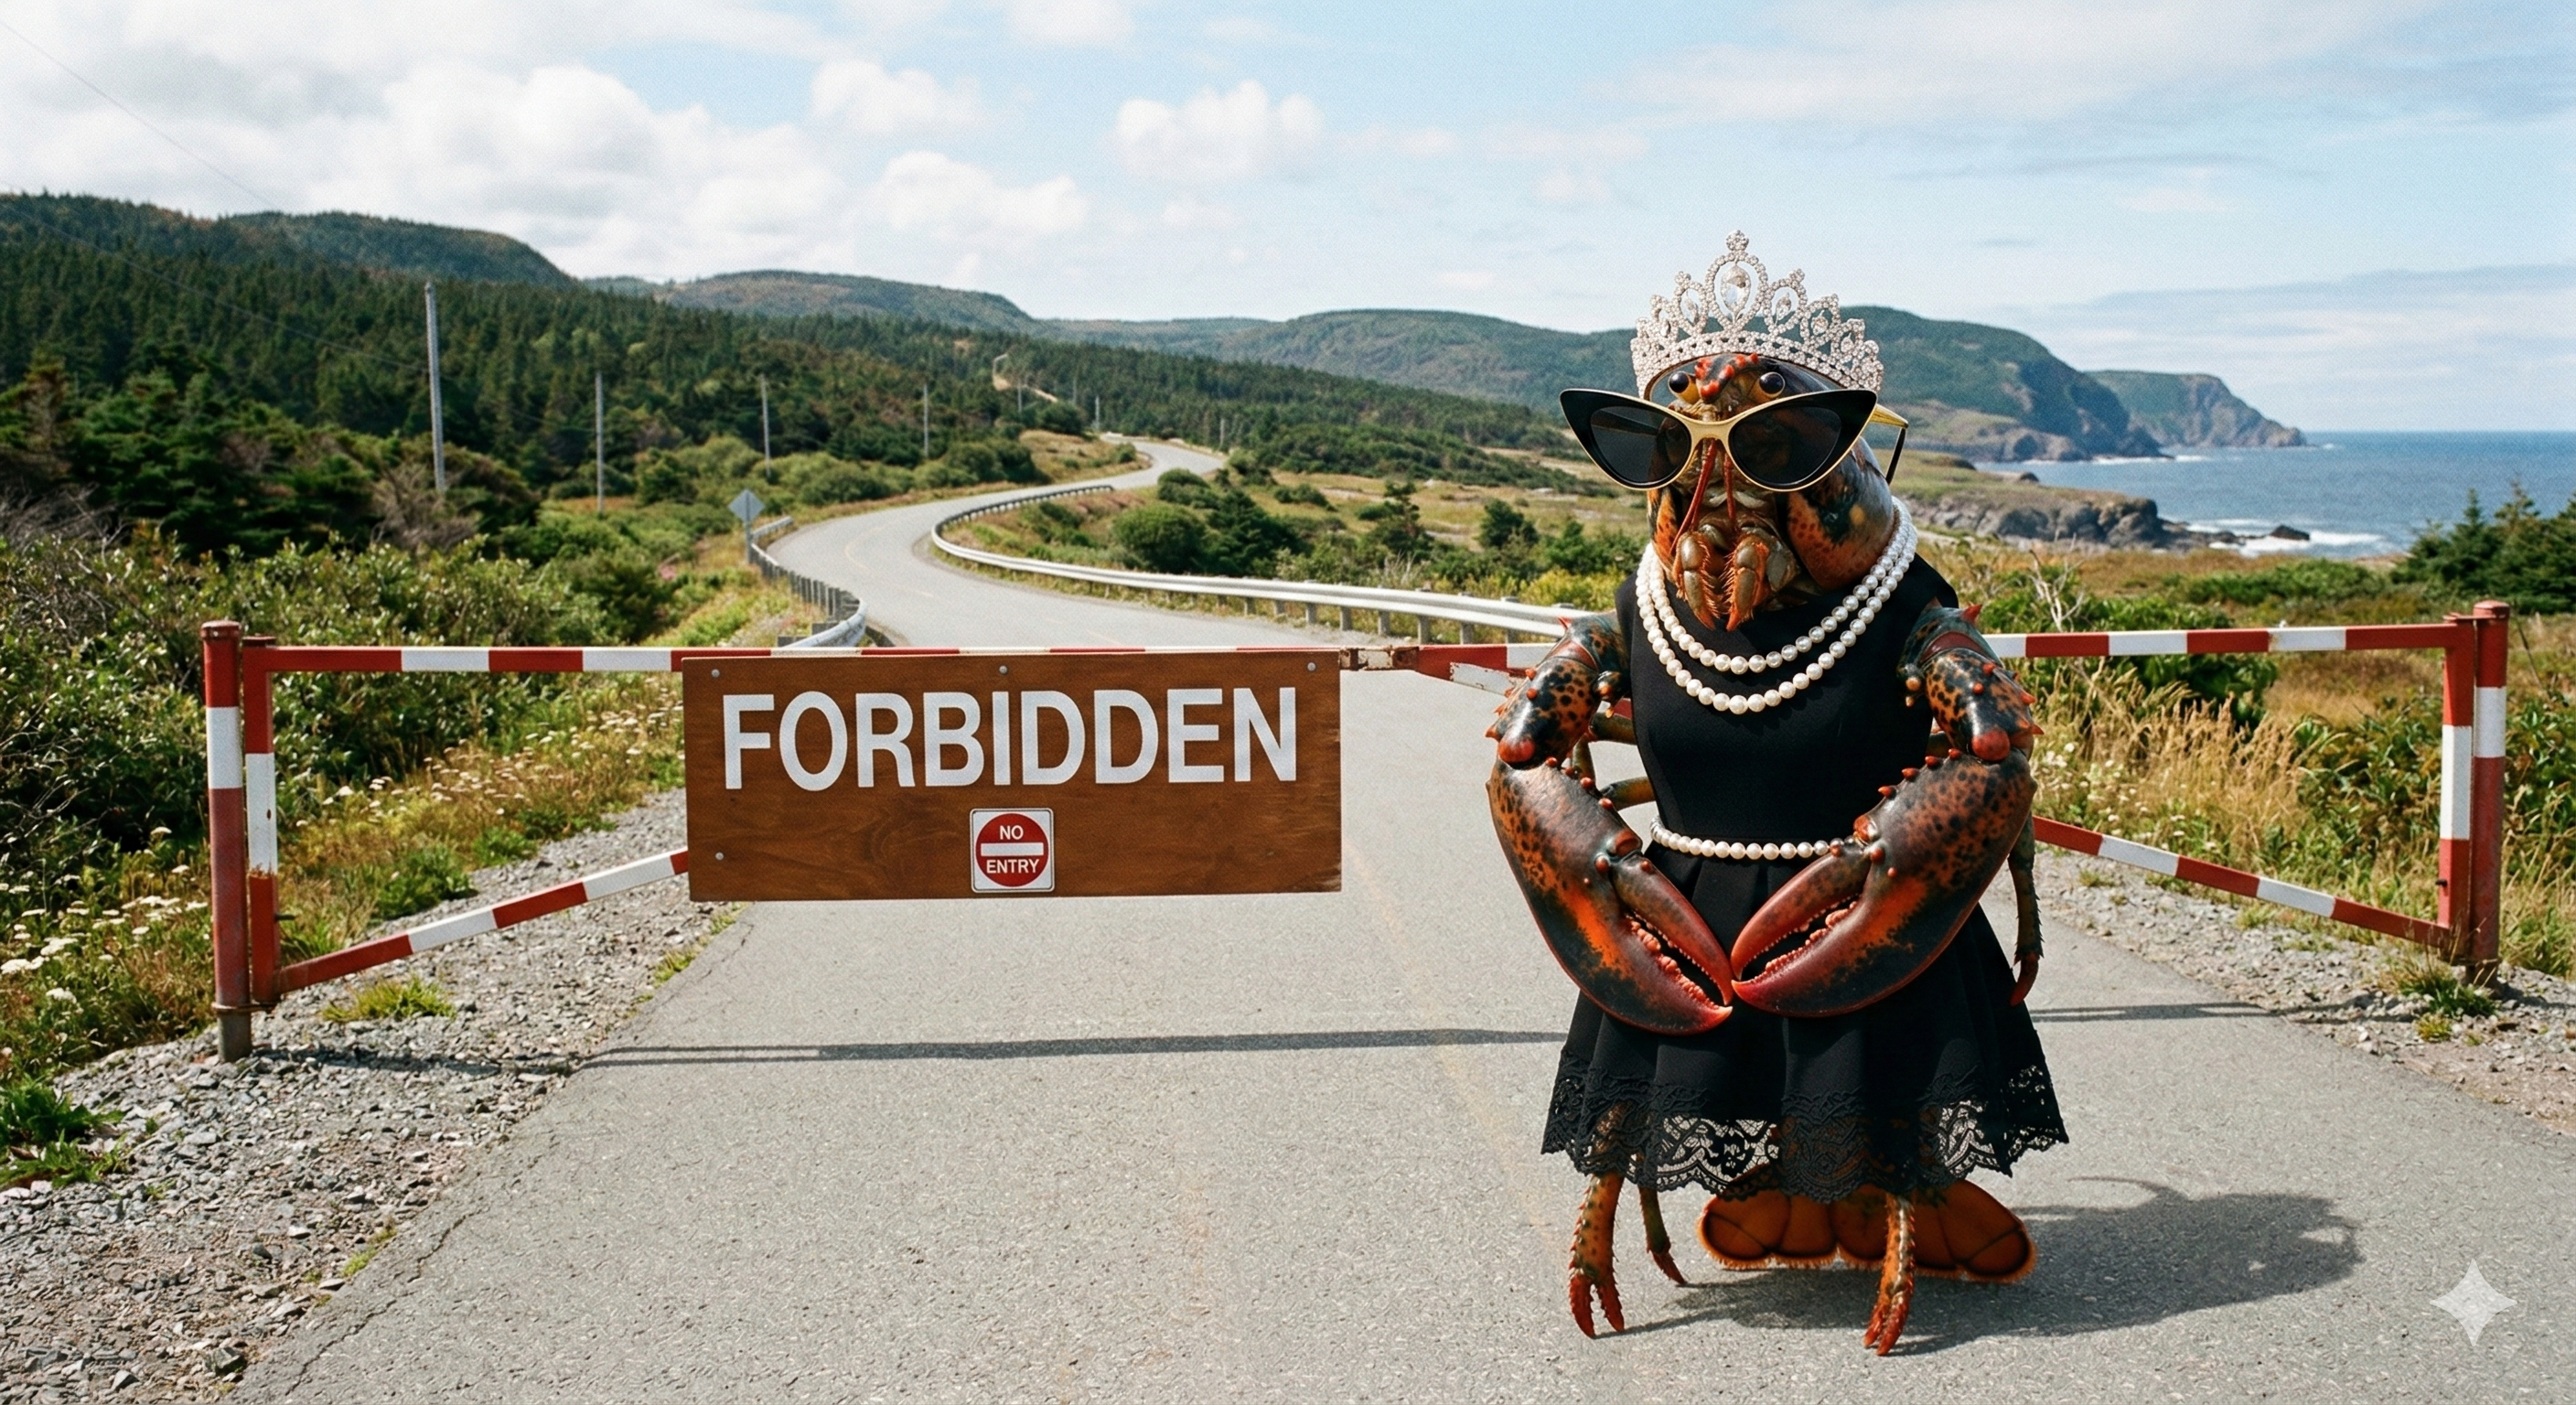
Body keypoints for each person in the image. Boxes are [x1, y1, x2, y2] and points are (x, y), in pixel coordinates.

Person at [1493, 233, 2066, 1352]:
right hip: (1688, 903)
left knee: (1876, 1070)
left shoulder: (1909, 609)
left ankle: (1888, 1215)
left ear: (1841, 457)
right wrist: (1606, 858)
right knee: (1663, 1058)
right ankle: (1665, 1210)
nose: (1723, 494)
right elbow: (1524, 752)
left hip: (1868, 902)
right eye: (1675, 455)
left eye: (1777, 449)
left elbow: (1994, 746)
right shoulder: (1634, 610)